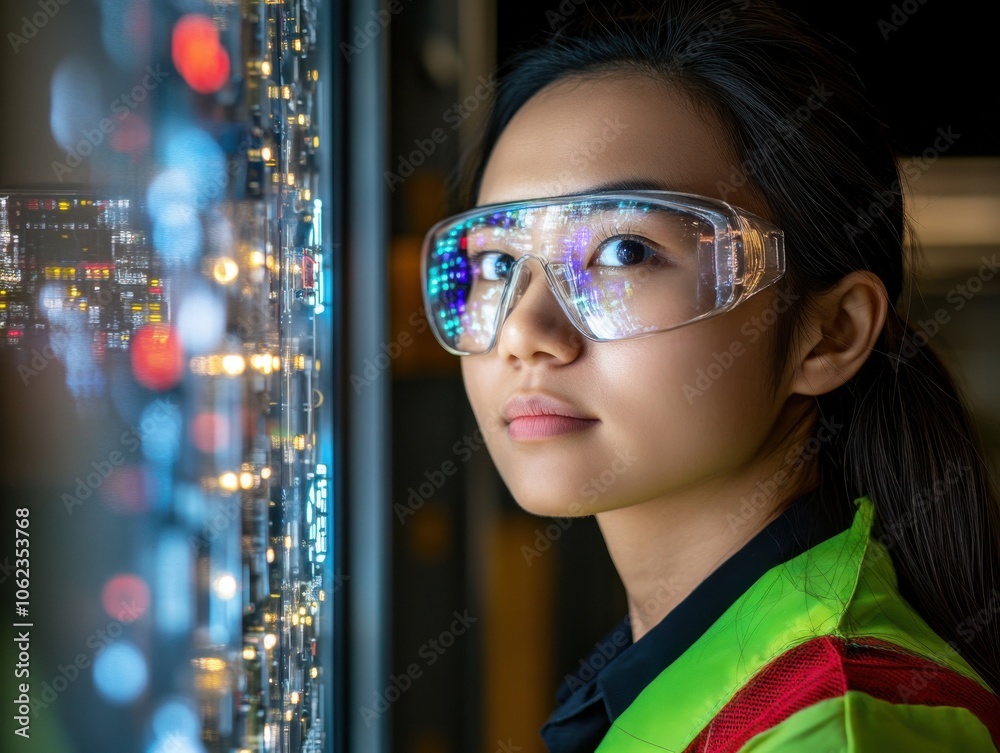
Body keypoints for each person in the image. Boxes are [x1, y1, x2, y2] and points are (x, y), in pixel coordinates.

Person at [419, 0, 1000, 750]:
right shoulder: (680, 677)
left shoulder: (833, 725)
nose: (526, 332)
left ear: (830, 333)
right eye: (498, 262)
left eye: (625, 252)